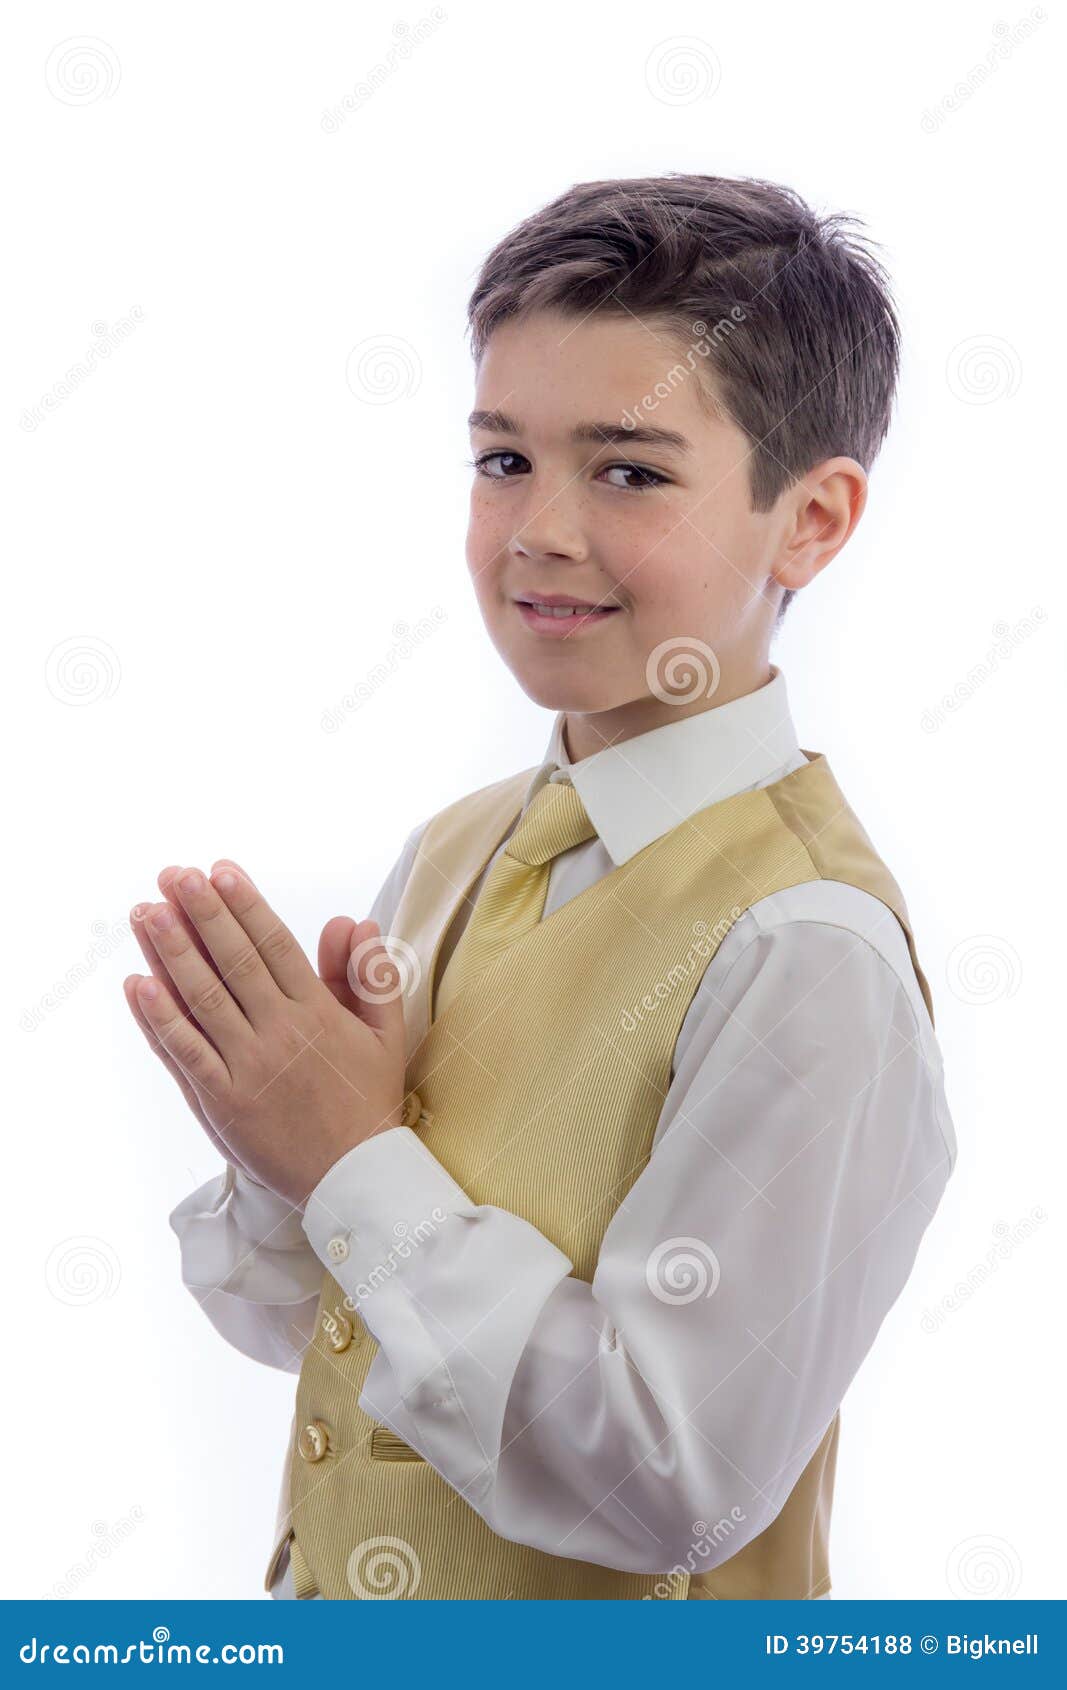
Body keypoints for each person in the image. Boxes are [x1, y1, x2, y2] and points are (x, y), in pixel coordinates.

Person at [130, 174, 958, 1600]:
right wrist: (286, 1151)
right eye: (503, 458)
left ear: (811, 522)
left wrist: (347, 1159)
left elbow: (672, 1481)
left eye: (628, 469)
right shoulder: (459, 848)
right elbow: (305, 1328)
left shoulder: (806, 946)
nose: (537, 532)